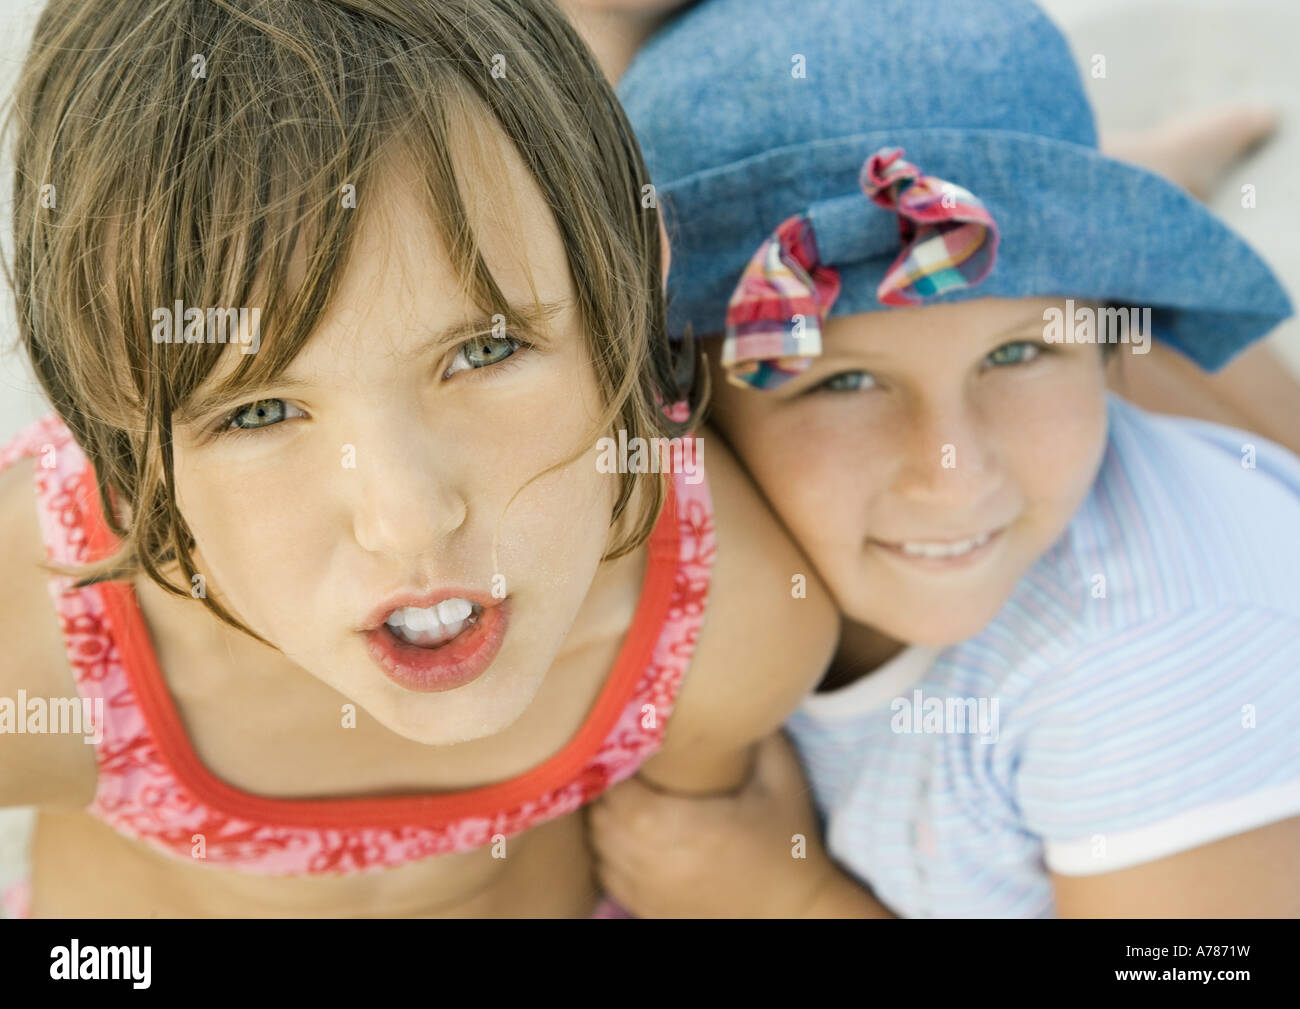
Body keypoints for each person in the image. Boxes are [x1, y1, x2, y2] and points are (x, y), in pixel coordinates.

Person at [0, 0, 837, 918]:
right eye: (262, 411)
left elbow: (685, 860)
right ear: (113, 431)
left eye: (483, 352)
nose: (408, 517)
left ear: (634, 276)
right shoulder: (39, 646)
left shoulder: (722, 628)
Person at [590, 0, 1300, 917]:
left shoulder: (1154, 651)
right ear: (687, 407)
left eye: (1017, 353)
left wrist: (784, 897)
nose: (953, 472)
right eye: (844, 384)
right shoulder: (673, 506)